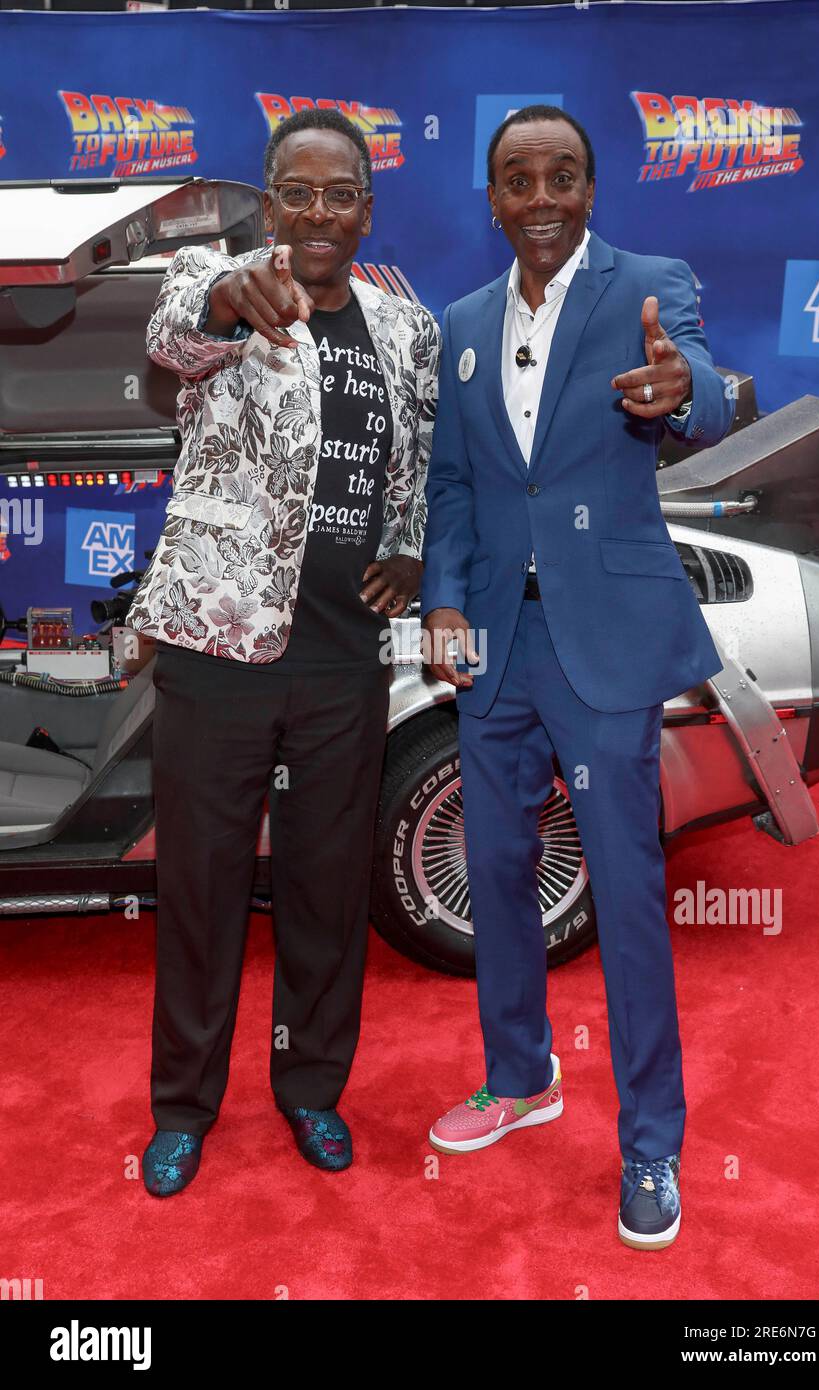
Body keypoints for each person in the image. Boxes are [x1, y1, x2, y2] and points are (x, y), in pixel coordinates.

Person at [420, 105, 734, 1250]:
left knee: (624, 887)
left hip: (601, 642)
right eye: (516, 179)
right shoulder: (458, 325)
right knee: (493, 863)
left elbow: (698, 381)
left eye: (561, 176)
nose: (540, 196)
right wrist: (442, 599)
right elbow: (453, 487)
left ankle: (650, 1140)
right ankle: (521, 1074)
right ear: (491, 198)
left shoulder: (647, 282)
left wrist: (679, 390)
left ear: (590, 191)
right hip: (494, 643)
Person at [125, 108, 440, 1195]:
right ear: (267, 202)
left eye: (336, 194)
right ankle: (183, 1106)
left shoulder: (405, 326)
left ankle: (310, 1088)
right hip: (218, 646)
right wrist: (223, 294)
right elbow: (176, 340)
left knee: (322, 882)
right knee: (203, 884)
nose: (315, 213)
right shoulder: (211, 278)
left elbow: (419, 461)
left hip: (343, 661)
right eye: (294, 193)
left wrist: (409, 551)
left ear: (366, 208)